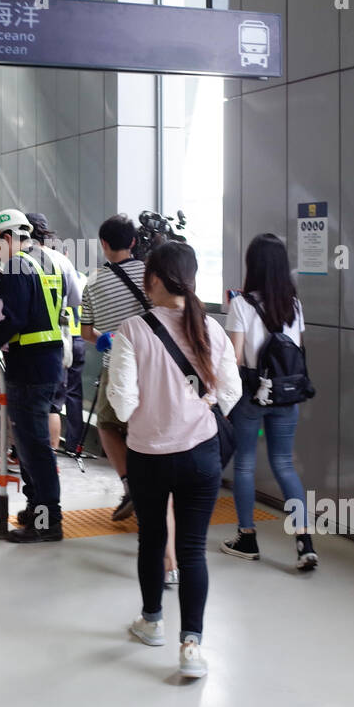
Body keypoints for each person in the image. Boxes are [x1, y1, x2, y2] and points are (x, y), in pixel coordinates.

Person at [107, 241, 241, 679]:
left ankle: (151, 622)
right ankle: (192, 647)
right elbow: (231, 393)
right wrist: (198, 405)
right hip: (202, 454)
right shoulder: (211, 328)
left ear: (156, 280)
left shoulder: (132, 330)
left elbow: (122, 405)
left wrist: (151, 411)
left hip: (149, 455)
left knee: (151, 540)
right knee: (192, 551)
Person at [222, 233, 317, 569]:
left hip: (251, 395)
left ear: (253, 266)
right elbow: (297, 351)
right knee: (285, 464)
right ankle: (304, 541)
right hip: (287, 394)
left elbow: (233, 358)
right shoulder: (294, 304)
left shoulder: (241, 304)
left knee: (245, 464)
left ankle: (247, 537)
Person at [0, 209, 66, 542]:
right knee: (31, 444)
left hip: (29, 366)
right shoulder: (46, 262)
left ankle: (47, 521)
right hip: (47, 361)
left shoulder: (16, 266)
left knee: (34, 446)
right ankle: (35, 507)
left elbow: (14, 319)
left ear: (8, 238)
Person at [80, 215, 146, 521]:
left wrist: (108, 338)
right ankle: (152, 488)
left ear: (104, 244)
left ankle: (131, 484)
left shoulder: (93, 281)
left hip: (116, 367)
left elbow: (86, 333)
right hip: (152, 365)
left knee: (107, 426)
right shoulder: (150, 274)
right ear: (133, 242)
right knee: (145, 428)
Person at [24, 213, 84, 452]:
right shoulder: (61, 260)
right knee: (53, 405)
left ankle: (24, 457)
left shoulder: (20, 260)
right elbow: (75, 301)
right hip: (60, 343)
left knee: (28, 405)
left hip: (27, 346)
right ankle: (51, 459)